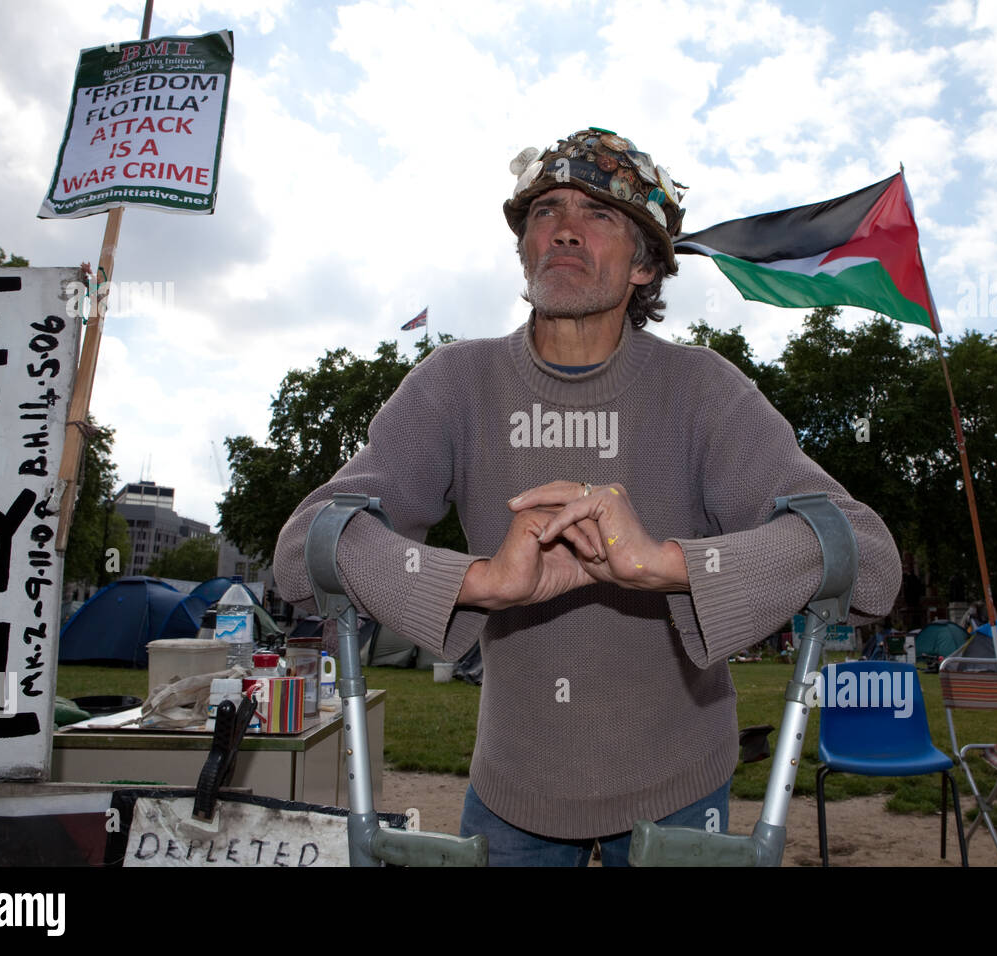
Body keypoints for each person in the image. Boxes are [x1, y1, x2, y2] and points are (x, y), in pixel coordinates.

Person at [272, 127, 900, 866]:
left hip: (680, 782)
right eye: (545, 211)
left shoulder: (703, 390)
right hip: (513, 789)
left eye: (599, 215)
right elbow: (301, 548)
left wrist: (668, 566)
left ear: (644, 265)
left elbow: (871, 560)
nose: (564, 227)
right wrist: (480, 583)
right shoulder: (455, 383)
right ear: (524, 248)